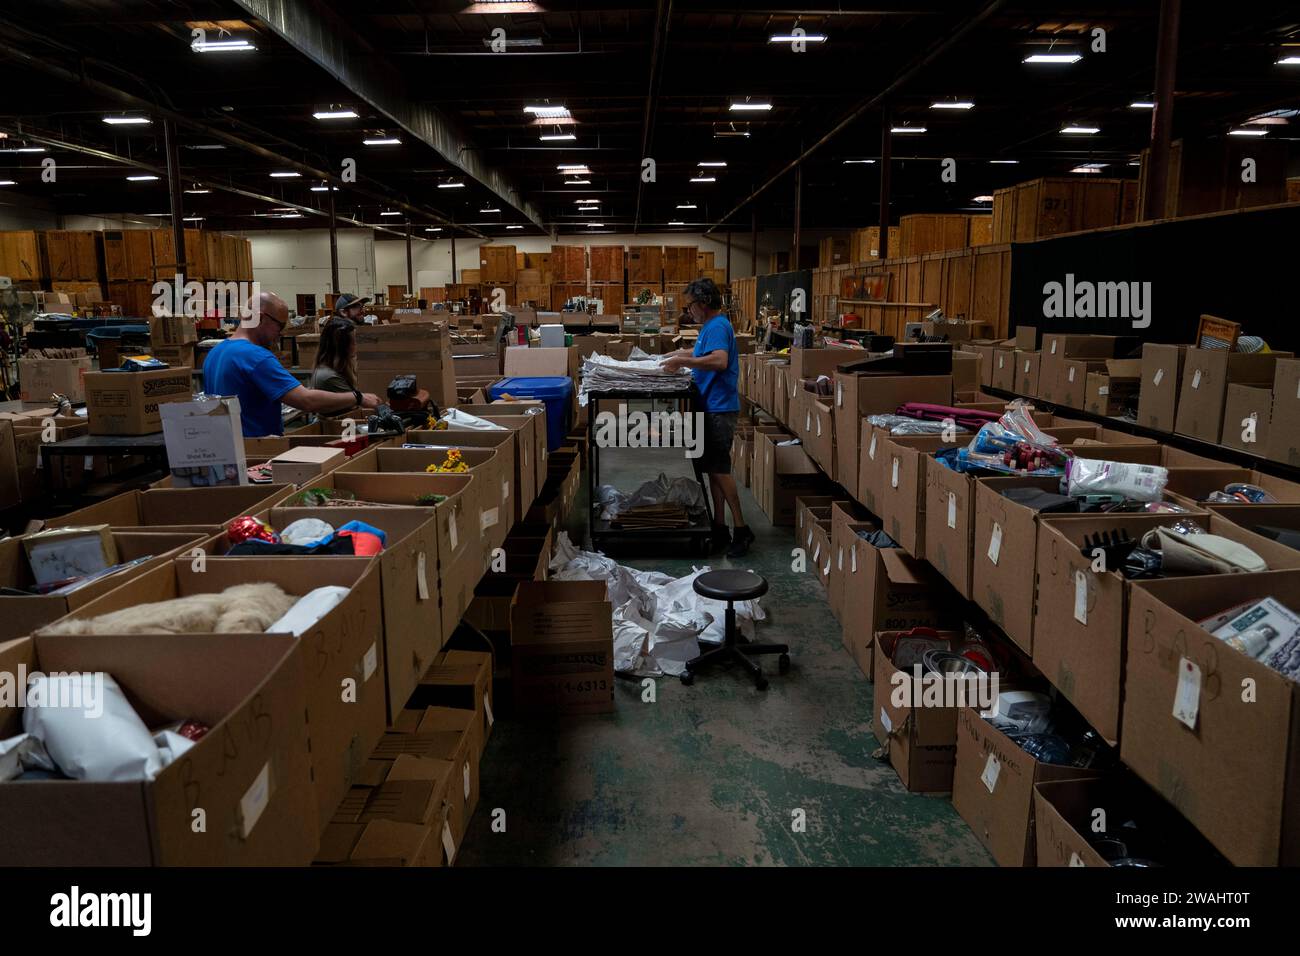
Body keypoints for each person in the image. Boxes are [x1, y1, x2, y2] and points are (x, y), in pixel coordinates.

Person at [203, 291, 380, 438]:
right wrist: (359, 397)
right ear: (261, 318)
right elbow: (306, 400)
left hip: (226, 449)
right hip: (256, 451)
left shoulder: (215, 353)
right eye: (279, 326)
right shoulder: (256, 357)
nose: (280, 334)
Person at [662, 277, 754, 558]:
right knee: (713, 470)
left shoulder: (717, 326)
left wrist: (682, 361)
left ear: (703, 303)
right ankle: (719, 525)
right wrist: (680, 353)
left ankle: (741, 528)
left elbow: (719, 361)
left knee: (720, 470)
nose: (688, 312)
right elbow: (702, 352)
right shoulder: (709, 327)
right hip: (709, 405)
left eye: (690, 306)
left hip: (719, 407)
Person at [311, 318, 362, 399]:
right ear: (342, 346)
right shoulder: (329, 377)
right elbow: (356, 404)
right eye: (353, 341)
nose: (356, 345)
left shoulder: (337, 369)